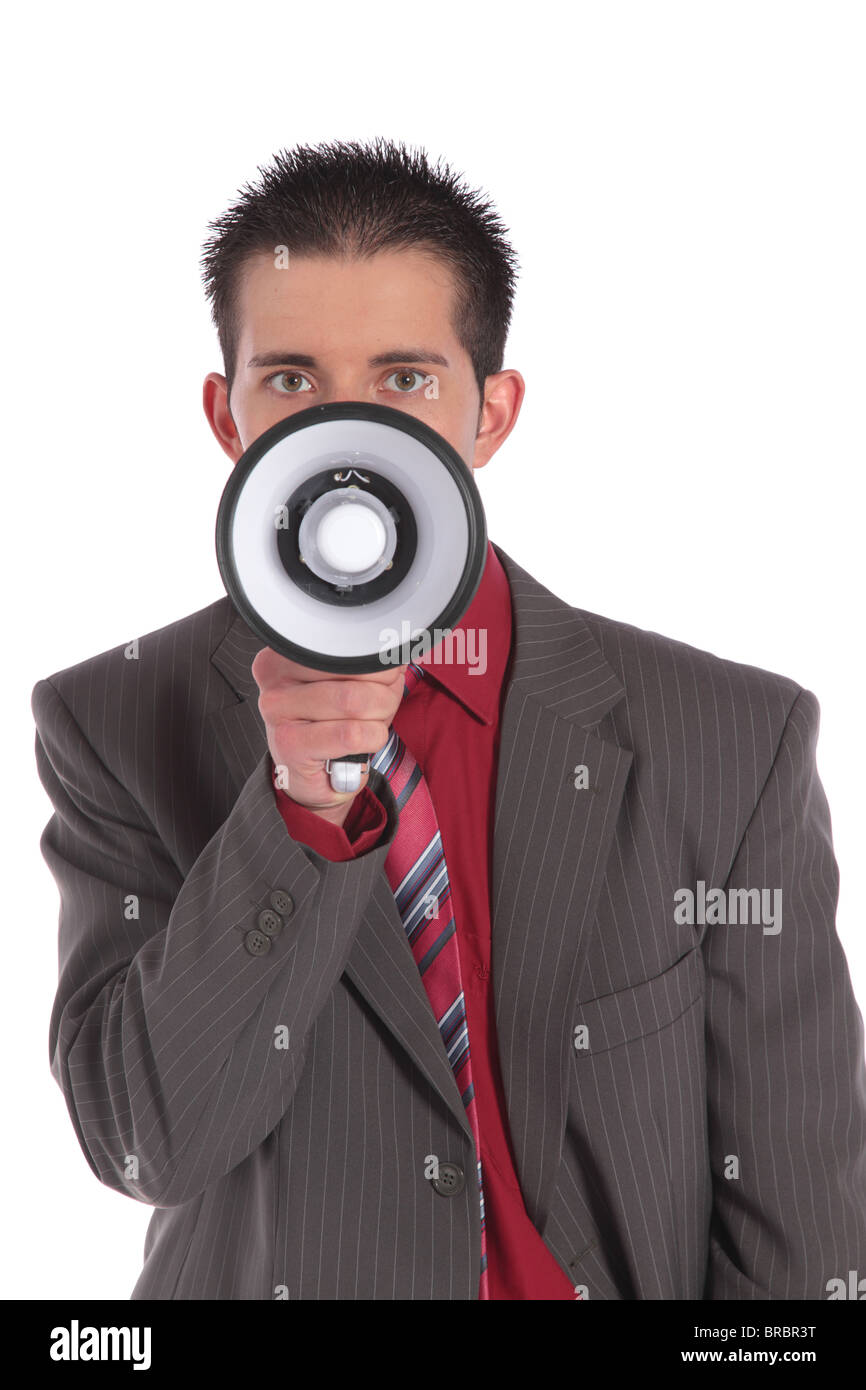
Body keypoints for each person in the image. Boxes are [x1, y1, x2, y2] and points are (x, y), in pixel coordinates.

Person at [32, 137, 866, 1300]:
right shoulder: (114, 717)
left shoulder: (731, 738)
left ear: (492, 413)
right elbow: (144, 1142)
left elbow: (801, 1222)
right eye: (291, 381)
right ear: (227, 420)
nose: (349, 440)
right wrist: (297, 812)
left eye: (405, 381)